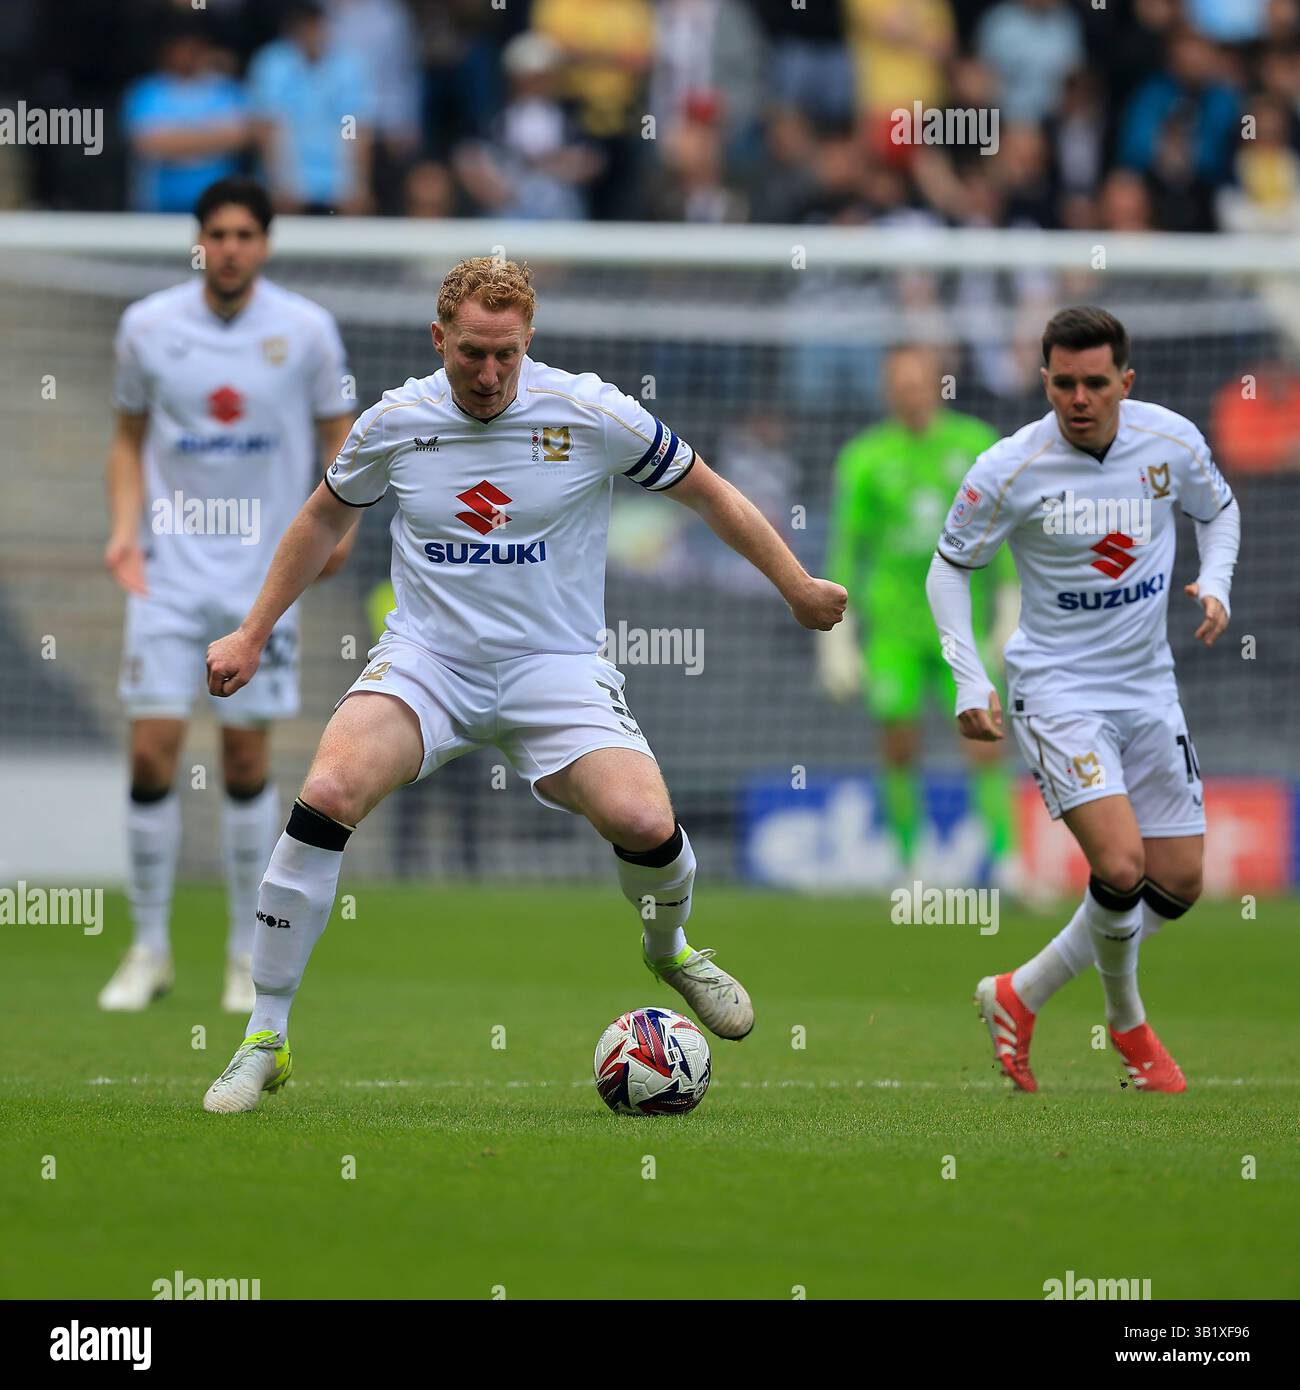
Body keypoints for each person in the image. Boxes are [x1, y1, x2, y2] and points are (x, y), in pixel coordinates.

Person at [199, 256, 847, 1112]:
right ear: (440, 338)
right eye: (472, 353)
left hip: (556, 667)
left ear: (529, 339)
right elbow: (324, 514)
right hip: (429, 662)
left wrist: (796, 584)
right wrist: (252, 631)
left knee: (645, 821)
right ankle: (264, 1037)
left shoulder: (590, 411)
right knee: (327, 790)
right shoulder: (396, 421)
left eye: (507, 354)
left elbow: (709, 493)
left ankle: (671, 948)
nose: (490, 373)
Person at [926, 306, 1240, 1093]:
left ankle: (1019, 992)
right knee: (1123, 864)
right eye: (1063, 383)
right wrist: (970, 676)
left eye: (1095, 383)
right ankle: (1130, 1032)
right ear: (1044, 381)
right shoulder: (1009, 467)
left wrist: (1217, 581)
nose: (1078, 398)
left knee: (1180, 880)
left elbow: (1221, 510)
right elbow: (948, 567)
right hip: (1057, 690)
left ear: (1124, 383)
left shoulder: (1169, 443)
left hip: (1149, 686)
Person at [101, 177, 355, 1014]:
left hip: (262, 584)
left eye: (247, 233)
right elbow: (128, 439)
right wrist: (122, 530)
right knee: (150, 753)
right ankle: (148, 948)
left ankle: (245, 956)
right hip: (168, 573)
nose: (233, 246)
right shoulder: (146, 326)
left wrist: (340, 526)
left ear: (266, 243)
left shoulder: (307, 331)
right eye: (219, 233)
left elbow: (339, 437)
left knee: (246, 760)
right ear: (199, 241)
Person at [821, 346, 1019, 883]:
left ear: (937, 384)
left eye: (917, 383)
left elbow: (1000, 532)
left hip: (962, 627)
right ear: (888, 391)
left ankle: (1006, 861)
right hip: (893, 629)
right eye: (898, 385)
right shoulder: (865, 457)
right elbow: (848, 548)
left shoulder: (975, 445)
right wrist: (837, 636)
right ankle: (910, 865)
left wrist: (1009, 605)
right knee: (899, 744)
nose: (909, 394)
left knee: (983, 739)